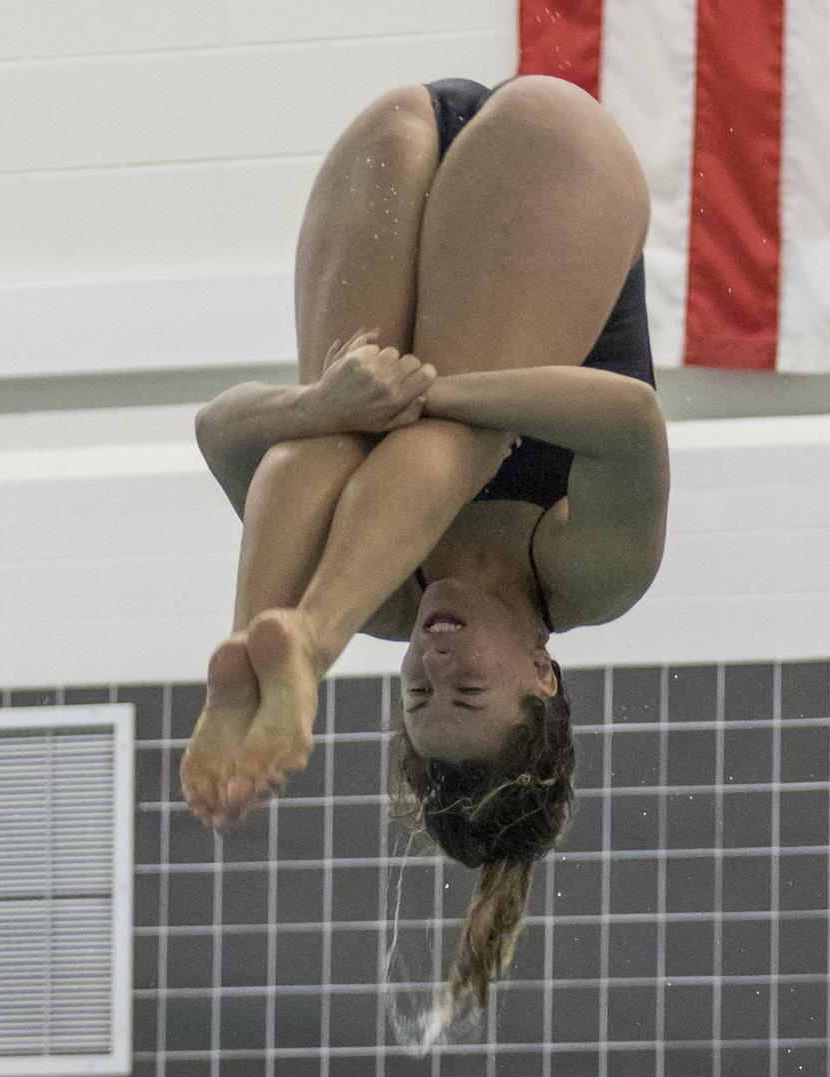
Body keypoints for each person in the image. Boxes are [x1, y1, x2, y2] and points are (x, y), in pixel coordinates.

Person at [181, 74, 669, 1023]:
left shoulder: (380, 581)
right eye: (467, 688)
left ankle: (260, 644)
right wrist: (435, 396)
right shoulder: (591, 576)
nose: (433, 659)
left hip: (396, 134)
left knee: (323, 447)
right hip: (551, 154)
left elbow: (219, 432)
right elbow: (630, 421)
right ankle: (308, 647)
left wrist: (323, 405)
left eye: (416, 689)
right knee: (439, 450)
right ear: (542, 676)